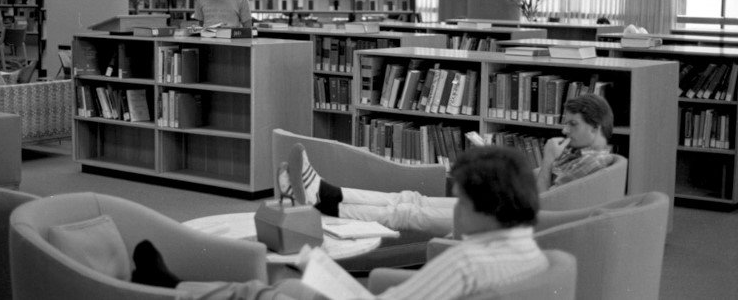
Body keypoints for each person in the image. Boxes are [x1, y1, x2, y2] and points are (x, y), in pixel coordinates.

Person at [137, 147, 548, 300]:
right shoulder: (533, 251)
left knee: (277, 290)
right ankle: (176, 288)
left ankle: (173, 289)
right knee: (286, 287)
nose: (454, 211)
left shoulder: (467, 262)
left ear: (484, 206)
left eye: (460, 201)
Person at [283, 93, 615, 238]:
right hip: (504, 207)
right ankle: (328, 193)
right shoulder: (584, 155)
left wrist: (546, 161)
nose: (564, 131)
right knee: (412, 198)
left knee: (408, 212)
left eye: (572, 125)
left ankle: (325, 201)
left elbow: (541, 202)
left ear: (595, 126)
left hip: (507, 221)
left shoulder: (591, 164)